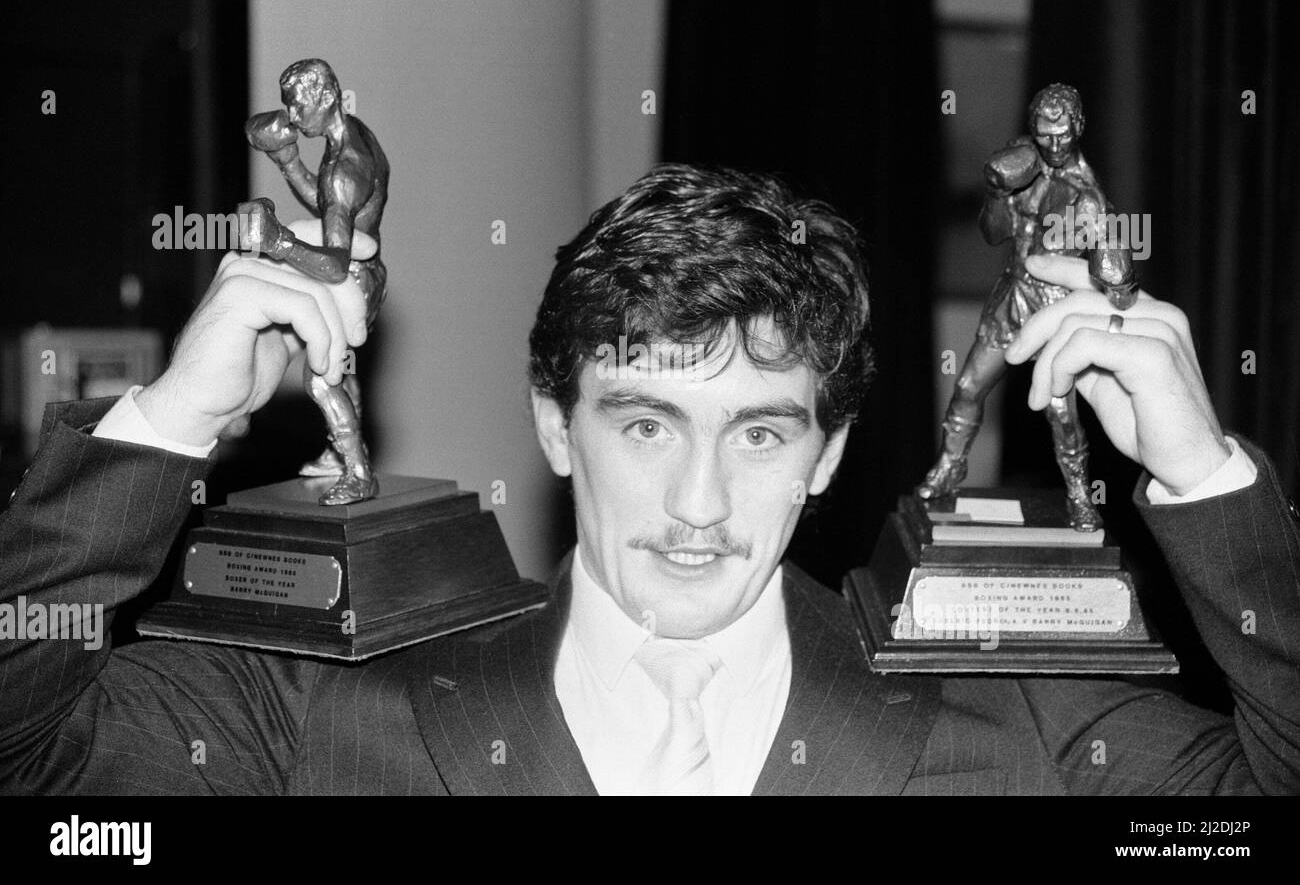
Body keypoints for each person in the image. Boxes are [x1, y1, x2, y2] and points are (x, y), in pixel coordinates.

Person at [1, 164, 1296, 795]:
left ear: (831, 455)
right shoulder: (322, 707)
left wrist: (1198, 469)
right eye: (645, 424)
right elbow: (30, 744)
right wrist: (173, 419)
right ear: (556, 430)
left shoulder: (1023, 726)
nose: (697, 504)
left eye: (759, 433)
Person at [918, 84, 1134, 530]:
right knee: (967, 388)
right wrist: (998, 192)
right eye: (1044, 134)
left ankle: (1078, 495)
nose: (1052, 145)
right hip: (1010, 295)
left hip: (1054, 308)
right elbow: (993, 234)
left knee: (1060, 413)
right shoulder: (1023, 163)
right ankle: (949, 469)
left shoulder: (1086, 195)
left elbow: (1113, 273)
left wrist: (1114, 270)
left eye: (1061, 135)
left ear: (1078, 129)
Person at [242, 58, 390, 504]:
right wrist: (288, 162)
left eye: (298, 107)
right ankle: (341, 453)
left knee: (322, 379)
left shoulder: (344, 168)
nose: (292, 117)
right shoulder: (350, 133)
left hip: (353, 280)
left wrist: (279, 242)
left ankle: (359, 472)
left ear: (327, 98)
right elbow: (329, 206)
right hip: (368, 271)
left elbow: (333, 263)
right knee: (341, 368)